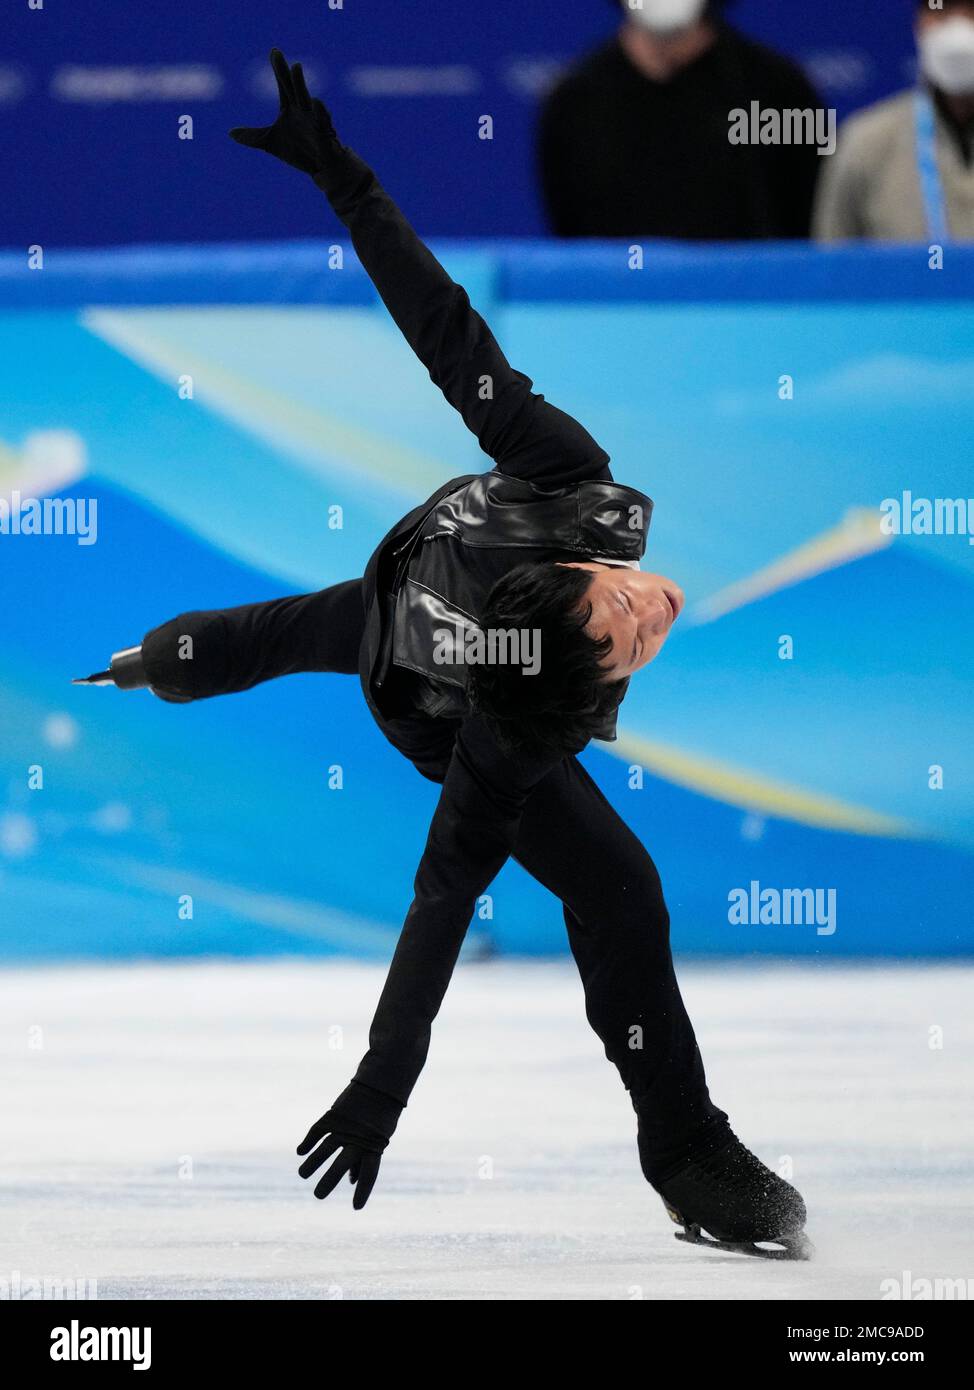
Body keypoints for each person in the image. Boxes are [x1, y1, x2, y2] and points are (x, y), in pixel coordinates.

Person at [78, 49, 809, 1257]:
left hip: (415, 591)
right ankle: (683, 1147)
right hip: (402, 667)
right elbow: (436, 903)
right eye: (630, 637)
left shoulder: (567, 478)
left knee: (258, 638)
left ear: (584, 566)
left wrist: (344, 179)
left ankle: (152, 658)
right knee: (608, 877)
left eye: (623, 618)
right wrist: (381, 1090)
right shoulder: (494, 737)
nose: (651, 614)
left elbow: (444, 328)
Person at [538, 0, 823, 240]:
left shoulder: (780, 91)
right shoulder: (574, 102)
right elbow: (572, 233)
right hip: (620, 302)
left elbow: (808, 228)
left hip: (748, 301)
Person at [814, 0, 974, 242]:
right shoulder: (865, 143)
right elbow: (833, 267)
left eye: (971, 12)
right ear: (919, 23)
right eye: (941, 10)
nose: (958, 28)